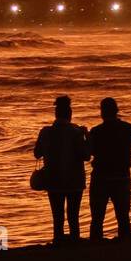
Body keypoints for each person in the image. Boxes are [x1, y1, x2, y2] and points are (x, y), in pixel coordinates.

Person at [34, 95, 89, 245]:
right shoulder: (76, 132)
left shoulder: (45, 132)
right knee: (73, 216)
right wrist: (86, 136)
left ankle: (58, 242)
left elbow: (37, 153)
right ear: (70, 115)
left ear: (56, 115)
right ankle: (74, 243)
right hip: (74, 181)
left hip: (53, 180)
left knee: (57, 216)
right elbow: (86, 156)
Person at [88, 97, 131, 240]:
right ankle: (125, 246)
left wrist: (86, 136)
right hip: (122, 176)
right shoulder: (128, 128)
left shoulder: (96, 132)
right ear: (117, 111)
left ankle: (95, 248)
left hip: (100, 178)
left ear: (102, 112)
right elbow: (128, 146)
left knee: (97, 219)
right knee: (123, 217)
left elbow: (91, 151)